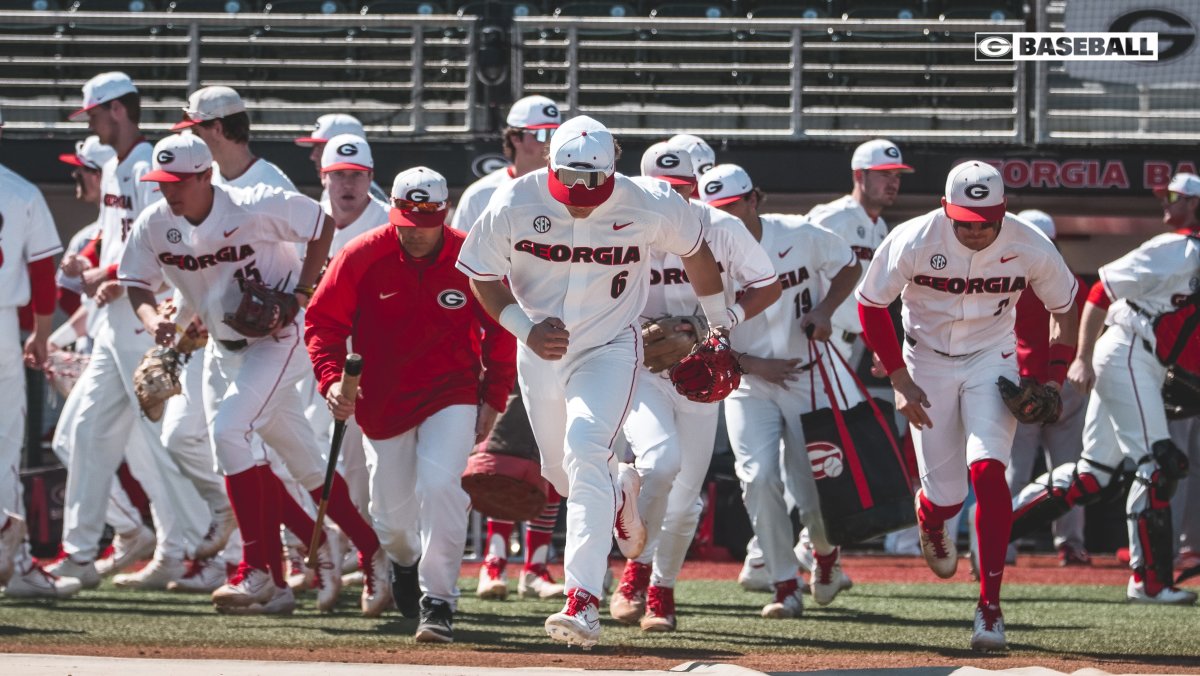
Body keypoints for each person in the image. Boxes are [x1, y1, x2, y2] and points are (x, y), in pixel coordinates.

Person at [457, 115, 729, 648]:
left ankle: (581, 602)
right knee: (559, 475)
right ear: (551, 165)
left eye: (593, 181)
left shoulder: (647, 200)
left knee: (584, 450)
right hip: (540, 349)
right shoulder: (514, 199)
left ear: (615, 164)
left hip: (610, 346)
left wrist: (717, 325)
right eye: (571, 180)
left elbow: (696, 247)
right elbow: (480, 273)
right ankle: (623, 484)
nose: (581, 193)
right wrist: (524, 329)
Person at [118, 133, 390, 617]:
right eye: (162, 182)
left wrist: (304, 291)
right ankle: (361, 551)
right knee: (301, 462)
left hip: (281, 339)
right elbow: (135, 280)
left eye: (178, 181)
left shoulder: (253, 202)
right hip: (224, 350)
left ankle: (257, 567)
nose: (168, 191)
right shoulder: (156, 222)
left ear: (205, 175)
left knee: (229, 433)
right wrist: (153, 321)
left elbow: (320, 223)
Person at [856, 160, 1080, 651]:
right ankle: (932, 516)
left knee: (988, 472)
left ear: (1003, 211)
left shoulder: (1028, 244)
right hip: (925, 361)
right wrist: (897, 376)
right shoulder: (914, 238)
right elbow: (871, 305)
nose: (976, 231)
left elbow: (1066, 309)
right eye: (964, 220)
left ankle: (990, 607)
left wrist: (1054, 380)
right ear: (945, 208)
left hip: (991, 361)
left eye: (986, 221)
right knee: (948, 496)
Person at [307, 166, 517, 642]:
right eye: (408, 222)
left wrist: (494, 395)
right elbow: (323, 323)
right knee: (392, 519)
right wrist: (332, 381)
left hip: (453, 391)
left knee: (443, 486)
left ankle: (439, 600)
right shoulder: (360, 255)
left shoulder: (472, 255)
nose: (418, 233)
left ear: (443, 214)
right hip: (382, 401)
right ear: (394, 213)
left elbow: (503, 326)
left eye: (427, 222)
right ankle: (403, 562)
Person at [49, 72, 211, 591]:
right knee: (83, 434)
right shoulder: (119, 166)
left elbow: (167, 244)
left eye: (94, 113)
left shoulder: (148, 164)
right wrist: (93, 263)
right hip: (114, 322)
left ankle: (203, 545)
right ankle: (83, 551)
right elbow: (115, 240)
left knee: (157, 440)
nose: (91, 122)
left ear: (118, 110)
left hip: (145, 319)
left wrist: (110, 276)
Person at [609, 143, 780, 631]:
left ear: (699, 184)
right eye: (663, 187)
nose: (672, 196)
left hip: (700, 371)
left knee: (686, 502)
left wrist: (724, 322)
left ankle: (660, 589)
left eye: (683, 188)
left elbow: (768, 284)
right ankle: (634, 574)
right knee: (659, 463)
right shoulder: (618, 222)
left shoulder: (720, 226)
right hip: (639, 365)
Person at [1011, 174, 1199, 605]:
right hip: (1127, 349)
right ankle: (1149, 583)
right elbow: (1101, 289)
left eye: (1173, 197)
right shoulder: (1177, 250)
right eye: (1166, 196)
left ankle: (997, 527)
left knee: (1095, 475)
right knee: (1158, 465)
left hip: (1148, 361)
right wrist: (1081, 356)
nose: (1164, 203)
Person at [700, 163, 862, 619]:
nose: (723, 218)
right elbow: (699, 329)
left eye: (731, 206)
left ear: (754, 199)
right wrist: (751, 364)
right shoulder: (701, 252)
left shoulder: (799, 233)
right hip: (746, 381)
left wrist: (827, 310)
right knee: (757, 479)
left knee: (812, 487)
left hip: (808, 374)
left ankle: (825, 557)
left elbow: (849, 266)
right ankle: (784, 583)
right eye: (714, 210)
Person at [450, 95, 568, 601]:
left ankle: (537, 564)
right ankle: (494, 562)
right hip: (500, 332)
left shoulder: (575, 189)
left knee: (552, 449)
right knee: (498, 453)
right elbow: (463, 269)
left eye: (552, 134)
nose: (545, 144)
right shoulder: (482, 195)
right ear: (513, 138)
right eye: (537, 134)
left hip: (559, 331)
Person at [0, 106, 78, 599]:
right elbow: (44, 273)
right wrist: (41, 334)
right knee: (4, 449)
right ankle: (15, 550)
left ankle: (17, 553)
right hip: (3, 324)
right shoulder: (22, 190)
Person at [1001, 209, 1090, 567]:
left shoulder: (1008, 280)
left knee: (1014, 469)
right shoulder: (1072, 282)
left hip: (1024, 382)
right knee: (1068, 468)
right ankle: (1070, 544)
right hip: (1063, 381)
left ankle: (1001, 542)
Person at [807, 139, 912, 366]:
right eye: (884, 174)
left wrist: (875, 345)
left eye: (897, 176)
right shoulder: (832, 217)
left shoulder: (881, 227)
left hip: (849, 342)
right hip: (818, 337)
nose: (893, 183)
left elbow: (864, 295)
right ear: (859, 176)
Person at [452, 94, 561, 233]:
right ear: (515, 138)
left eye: (555, 133)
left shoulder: (568, 192)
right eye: (541, 134)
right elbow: (459, 250)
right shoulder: (480, 195)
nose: (550, 142)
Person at [172, 86, 295, 191]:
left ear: (217, 129)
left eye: (195, 132)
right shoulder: (208, 177)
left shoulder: (274, 188)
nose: (192, 139)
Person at [294, 112, 388, 203]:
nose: (313, 156)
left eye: (320, 148)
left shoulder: (370, 197)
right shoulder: (332, 189)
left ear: (347, 148)